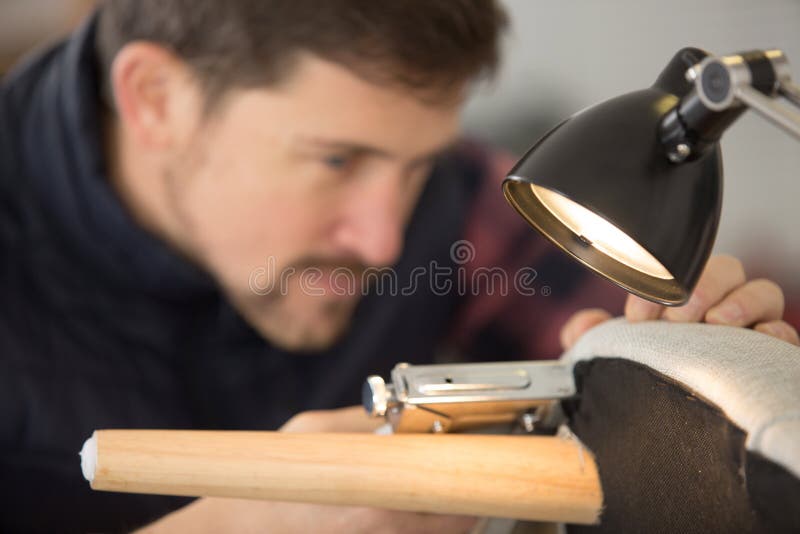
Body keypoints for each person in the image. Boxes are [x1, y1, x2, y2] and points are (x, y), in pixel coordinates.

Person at [1, 1, 796, 532]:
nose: (385, 242)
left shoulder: (462, 203)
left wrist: (703, 361)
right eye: (337, 159)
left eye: (417, 164)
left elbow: (614, 340)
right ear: (156, 99)